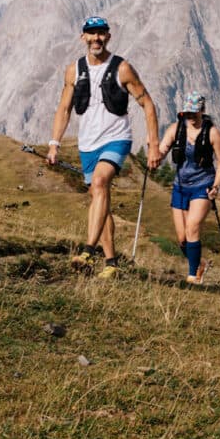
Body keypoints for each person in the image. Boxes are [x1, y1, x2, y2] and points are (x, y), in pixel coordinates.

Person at [47, 16, 161, 277]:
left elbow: (148, 104)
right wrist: (54, 144)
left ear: (108, 36)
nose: (96, 38)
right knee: (100, 200)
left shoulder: (122, 68)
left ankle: (88, 251)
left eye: (101, 33)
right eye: (91, 34)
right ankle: (111, 264)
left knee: (99, 184)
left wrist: (153, 143)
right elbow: (64, 109)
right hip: (87, 144)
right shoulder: (73, 70)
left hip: (116, 139)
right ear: (83, 37)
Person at [166, 92, 220, 284]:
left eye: (194, 113)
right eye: (187, 113)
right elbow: (162, 148)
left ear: (202, 111)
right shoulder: (176, 129)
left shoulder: (212, 133)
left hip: (203, 185)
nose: (190, 117)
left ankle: (192, 276)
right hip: (180, 186)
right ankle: (200, 264)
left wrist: (216, 186)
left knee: (192, 227)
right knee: (183, 238)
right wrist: (155, 155)